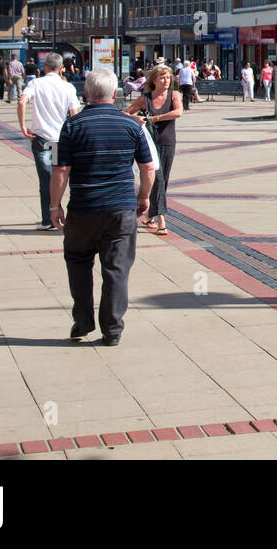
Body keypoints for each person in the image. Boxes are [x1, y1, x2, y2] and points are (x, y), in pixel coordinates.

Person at [49, 69, 154, 345]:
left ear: (86, 93)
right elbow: (148, 168)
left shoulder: (70, 125)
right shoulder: (132, 125)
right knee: (117, 269)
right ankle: (113, 329)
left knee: (78, 262)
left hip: (83, 208)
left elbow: (59, 169)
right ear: (116, 93)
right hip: (121, 209)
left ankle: (83, 321)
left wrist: (54, 205)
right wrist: (144, 198)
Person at [19, 53, 81, 231]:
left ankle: (48, 219)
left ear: (45, 67)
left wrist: (23, 126)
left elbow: (22, 101)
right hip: (61, 139)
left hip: (41, 138)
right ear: (62, 68)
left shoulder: (35, 84)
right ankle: (66, 212)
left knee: (46, 179)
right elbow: (74, 114)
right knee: (63, 177)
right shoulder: (67, 87)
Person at [126, 64, 183, 236]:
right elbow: (126, 113)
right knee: (157, 178)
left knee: (162, 180)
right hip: (149, 143)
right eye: (162, 78)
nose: (166, 81)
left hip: (167, 142)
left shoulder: (174, 95)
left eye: (168, 78)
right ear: (154, 80)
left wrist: (156, 118)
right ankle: (161, 220)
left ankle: (150, 216)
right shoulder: (145, 98)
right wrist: (137, 118)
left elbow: (178, 112)